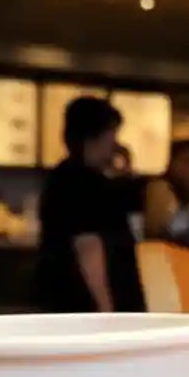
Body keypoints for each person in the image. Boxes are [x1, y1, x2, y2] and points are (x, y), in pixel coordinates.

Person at [34, 97, 146, 313]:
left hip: (70, 298)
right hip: (82, 299)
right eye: (112, 133)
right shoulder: (79, 182)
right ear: (93, 137)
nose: (116, 142)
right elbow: (88, 246)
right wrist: (106, 307)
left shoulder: (70, 177)